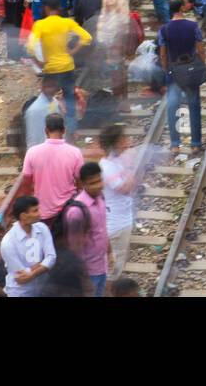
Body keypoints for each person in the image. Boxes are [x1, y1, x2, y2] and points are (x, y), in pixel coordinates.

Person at [26, 0, 91, 139]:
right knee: (69, 98)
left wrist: (38, 62)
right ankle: (73, 130)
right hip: (67, 66)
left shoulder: (40, 25)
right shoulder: (67, 22)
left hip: (51, 69)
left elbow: (30, 46)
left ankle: (51, 130)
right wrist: (73, 51)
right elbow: (87, 37)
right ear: (59, 8)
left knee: (48, 100)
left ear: (46, 8)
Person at [157, 0, 206, 155]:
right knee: (194, 106)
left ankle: (175, 144)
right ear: (181, 8)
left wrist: (166, 70)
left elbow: (163, 54)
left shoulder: (164, 29)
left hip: (174, 71)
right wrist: (203, 65)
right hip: (191, 71)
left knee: (172, 107)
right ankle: (196, 144)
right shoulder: (192, 26)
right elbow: (200, 49)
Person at [16, 113, 85, 220]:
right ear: (64, 130)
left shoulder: (32, 152)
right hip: (68, 213)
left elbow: (26, 184)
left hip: (42, 213)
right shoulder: (75, 153)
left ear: (46, 130)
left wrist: (29, 208)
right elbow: (80, 184)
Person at [61, 162, 109, 296]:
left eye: (99, 180)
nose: (98, 185)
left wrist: (109, 253)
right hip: (88, 272)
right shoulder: (77, 211)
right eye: (93, 183)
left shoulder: (100, 198)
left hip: (101, 267)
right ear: (83, 184)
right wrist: (84, 278)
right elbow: (75, 248)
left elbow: (102, 228)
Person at [0, 196, 56, 298]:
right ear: (24, 216)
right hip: (20, 292)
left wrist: (33, 273)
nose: (39, 213)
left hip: (43, 288)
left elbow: (52, 257)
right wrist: (43, 264)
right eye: (35, 211)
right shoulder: (8, 242)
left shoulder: (42, 228)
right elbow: (21, 276)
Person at [100, 125, 136, 280]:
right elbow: (125, 189)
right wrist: (129, 167)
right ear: (115, 142)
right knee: (113, 269)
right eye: (123, 139)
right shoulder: (107, 166)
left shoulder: (116, 163)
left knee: (119, 263)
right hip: (115, 224)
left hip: (123, 220)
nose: (126, 142)